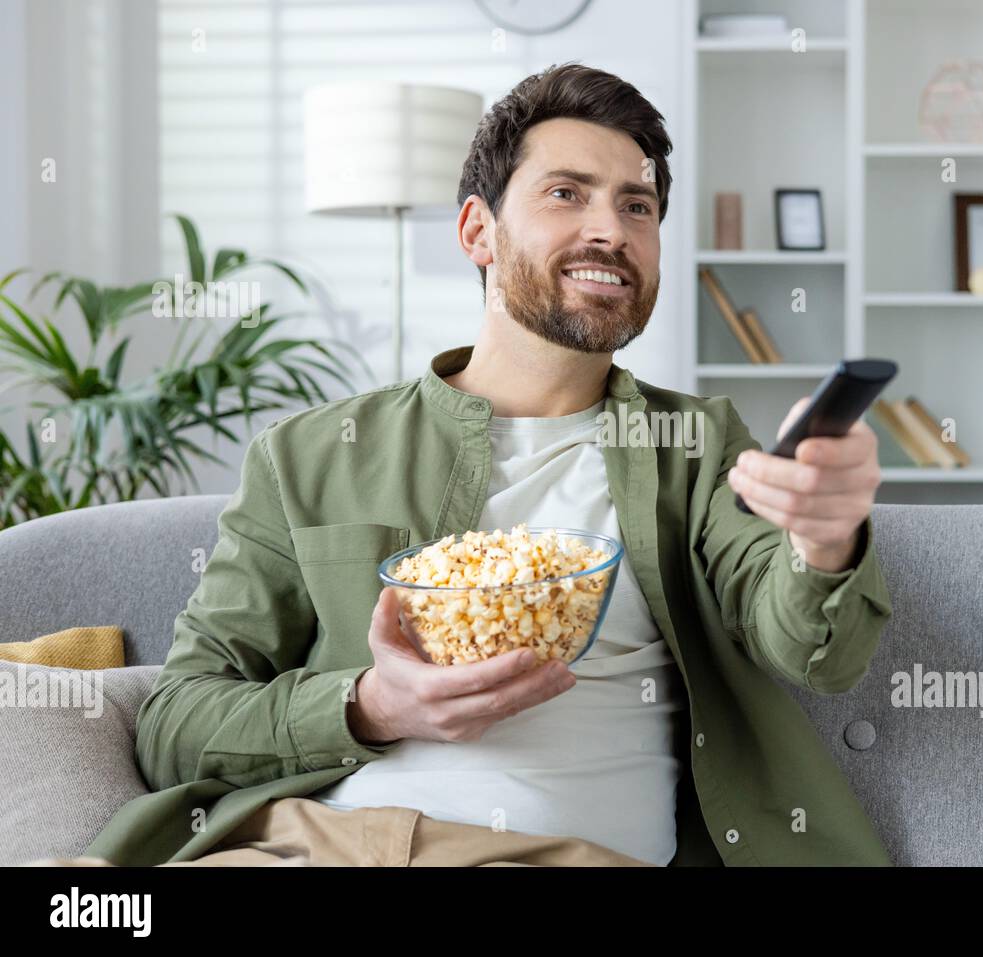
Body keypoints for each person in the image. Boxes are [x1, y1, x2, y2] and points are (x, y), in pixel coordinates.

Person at [66, 62, 892, 868]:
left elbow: (812, 650)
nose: (609, 228)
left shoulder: (698, 442)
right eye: (566, 193)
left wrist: (823, 541)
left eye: (636, 204)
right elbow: (175, 723)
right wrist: (369, 706)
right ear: (477, 231)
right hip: (306, 842)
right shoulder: (309, 454)